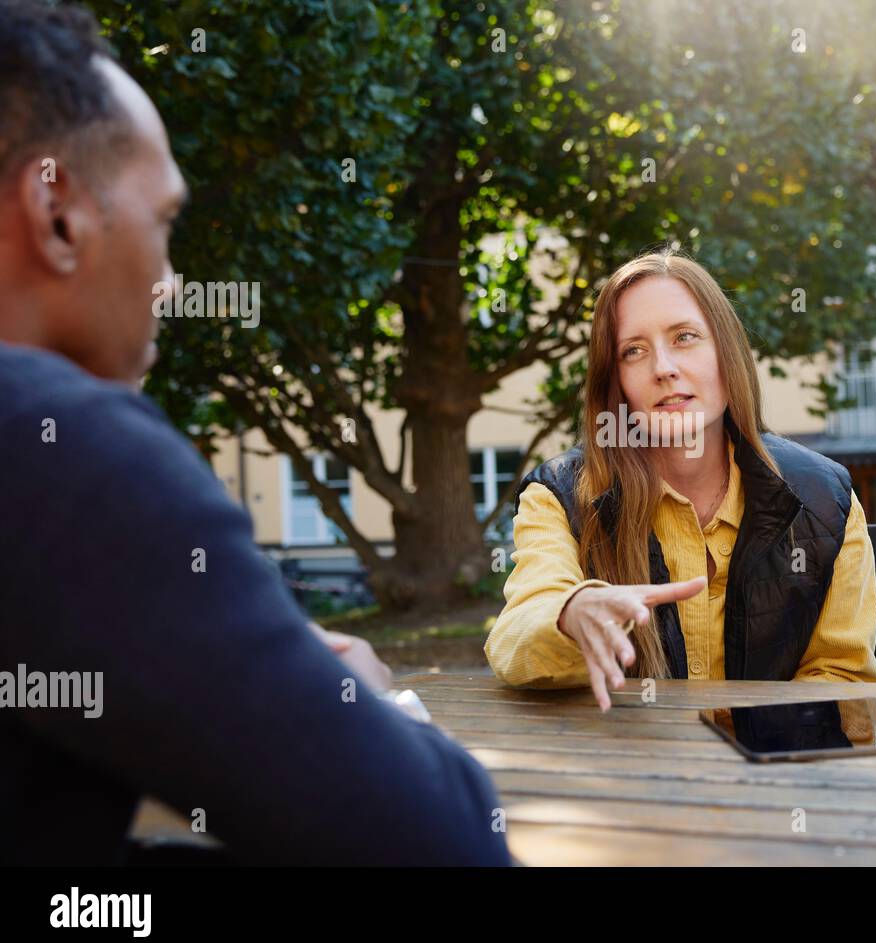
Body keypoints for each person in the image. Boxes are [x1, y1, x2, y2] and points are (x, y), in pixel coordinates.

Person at [0, 0, 509, 865]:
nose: (170, 280)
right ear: (58, 214)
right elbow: (446, 846)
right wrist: (350, 703)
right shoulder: (60, 446)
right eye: (164, 225)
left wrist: (233, 650)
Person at [485, 251, 876, 710]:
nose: (663, 367)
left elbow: (843, 678)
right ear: (615, 382)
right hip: (636, 771)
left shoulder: (825, 497)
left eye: (685, 337)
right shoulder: (559, 495)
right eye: (633, 351)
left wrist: (747, 765)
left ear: (726, 351)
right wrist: (570, 614)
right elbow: (515, 640)